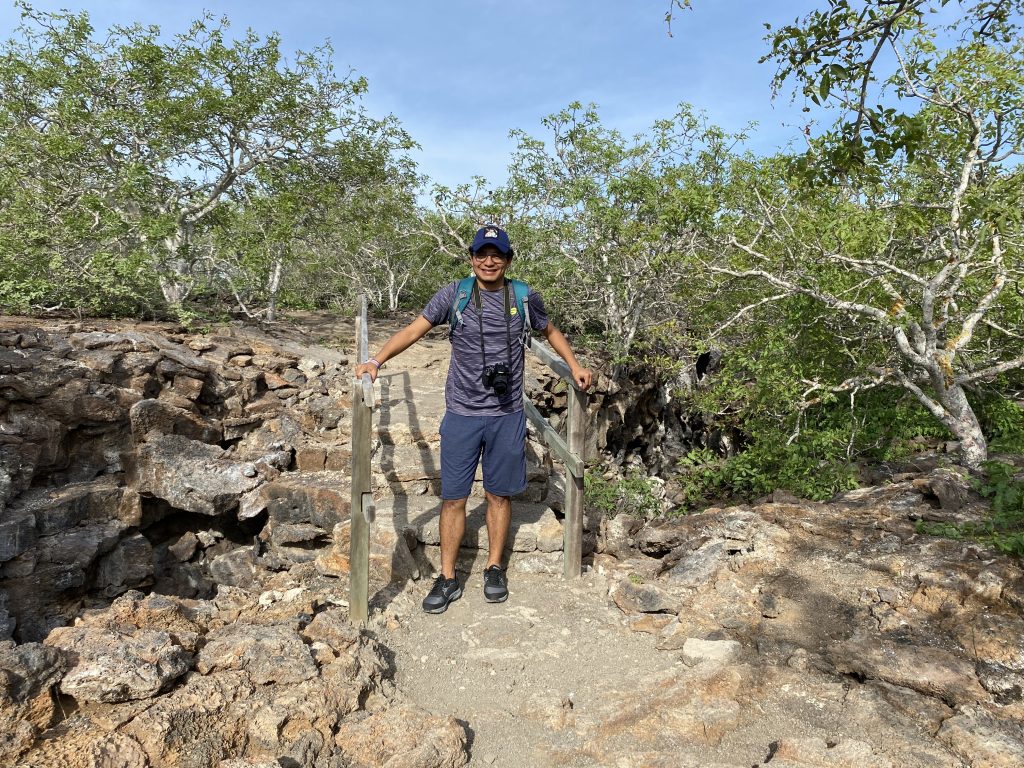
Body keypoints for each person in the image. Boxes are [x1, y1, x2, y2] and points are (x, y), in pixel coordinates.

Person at [354, 224, 593, 614]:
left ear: (508, 260)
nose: (489, 261)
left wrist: (575, 366)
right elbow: (414, 330)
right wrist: (375, 361)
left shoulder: (523, 296)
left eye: (496, 255)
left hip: (507, 413)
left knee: (498, 495)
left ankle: (494, 567)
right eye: (482, 254)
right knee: (453, 499)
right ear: (471, 258)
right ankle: (448, 577)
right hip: (462, 414)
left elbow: (550, 330)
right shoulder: (455, 295)